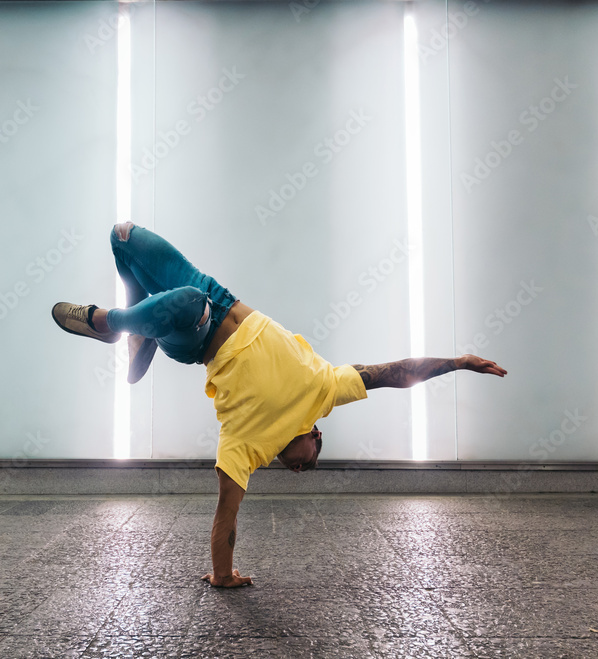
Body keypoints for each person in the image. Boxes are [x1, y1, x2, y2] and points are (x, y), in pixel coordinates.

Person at [52, 222, 507, 588]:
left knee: (187, 303)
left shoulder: (249, 446)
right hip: (216, 292)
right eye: (312, 462)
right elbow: (394, 374)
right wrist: (457, 362)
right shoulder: (325, 390)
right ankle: (139, 327)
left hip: (195, 330)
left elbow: (225, 514)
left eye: (298, 472)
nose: (302, 467)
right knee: (123, 237)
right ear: (316, 436)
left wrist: (224, 575)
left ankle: (110, 324)